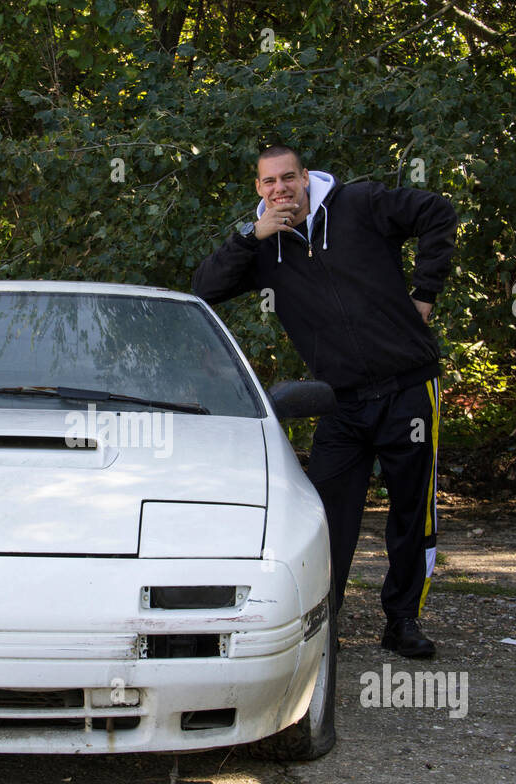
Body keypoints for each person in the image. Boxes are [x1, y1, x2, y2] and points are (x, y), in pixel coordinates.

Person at [192, 145, 458, 658]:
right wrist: (251, 236)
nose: (280, 190)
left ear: (306, 178)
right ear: (259, 190)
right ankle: (323, 624)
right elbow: (204, 288)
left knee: (412, 513)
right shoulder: (262, 247)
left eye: (288, 178)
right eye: (269, 183)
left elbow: (437, 212)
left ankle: (402, 620)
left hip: (408, 388)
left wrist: (425, 292)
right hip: (341, 403)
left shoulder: (359, 205)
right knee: (327, 520)